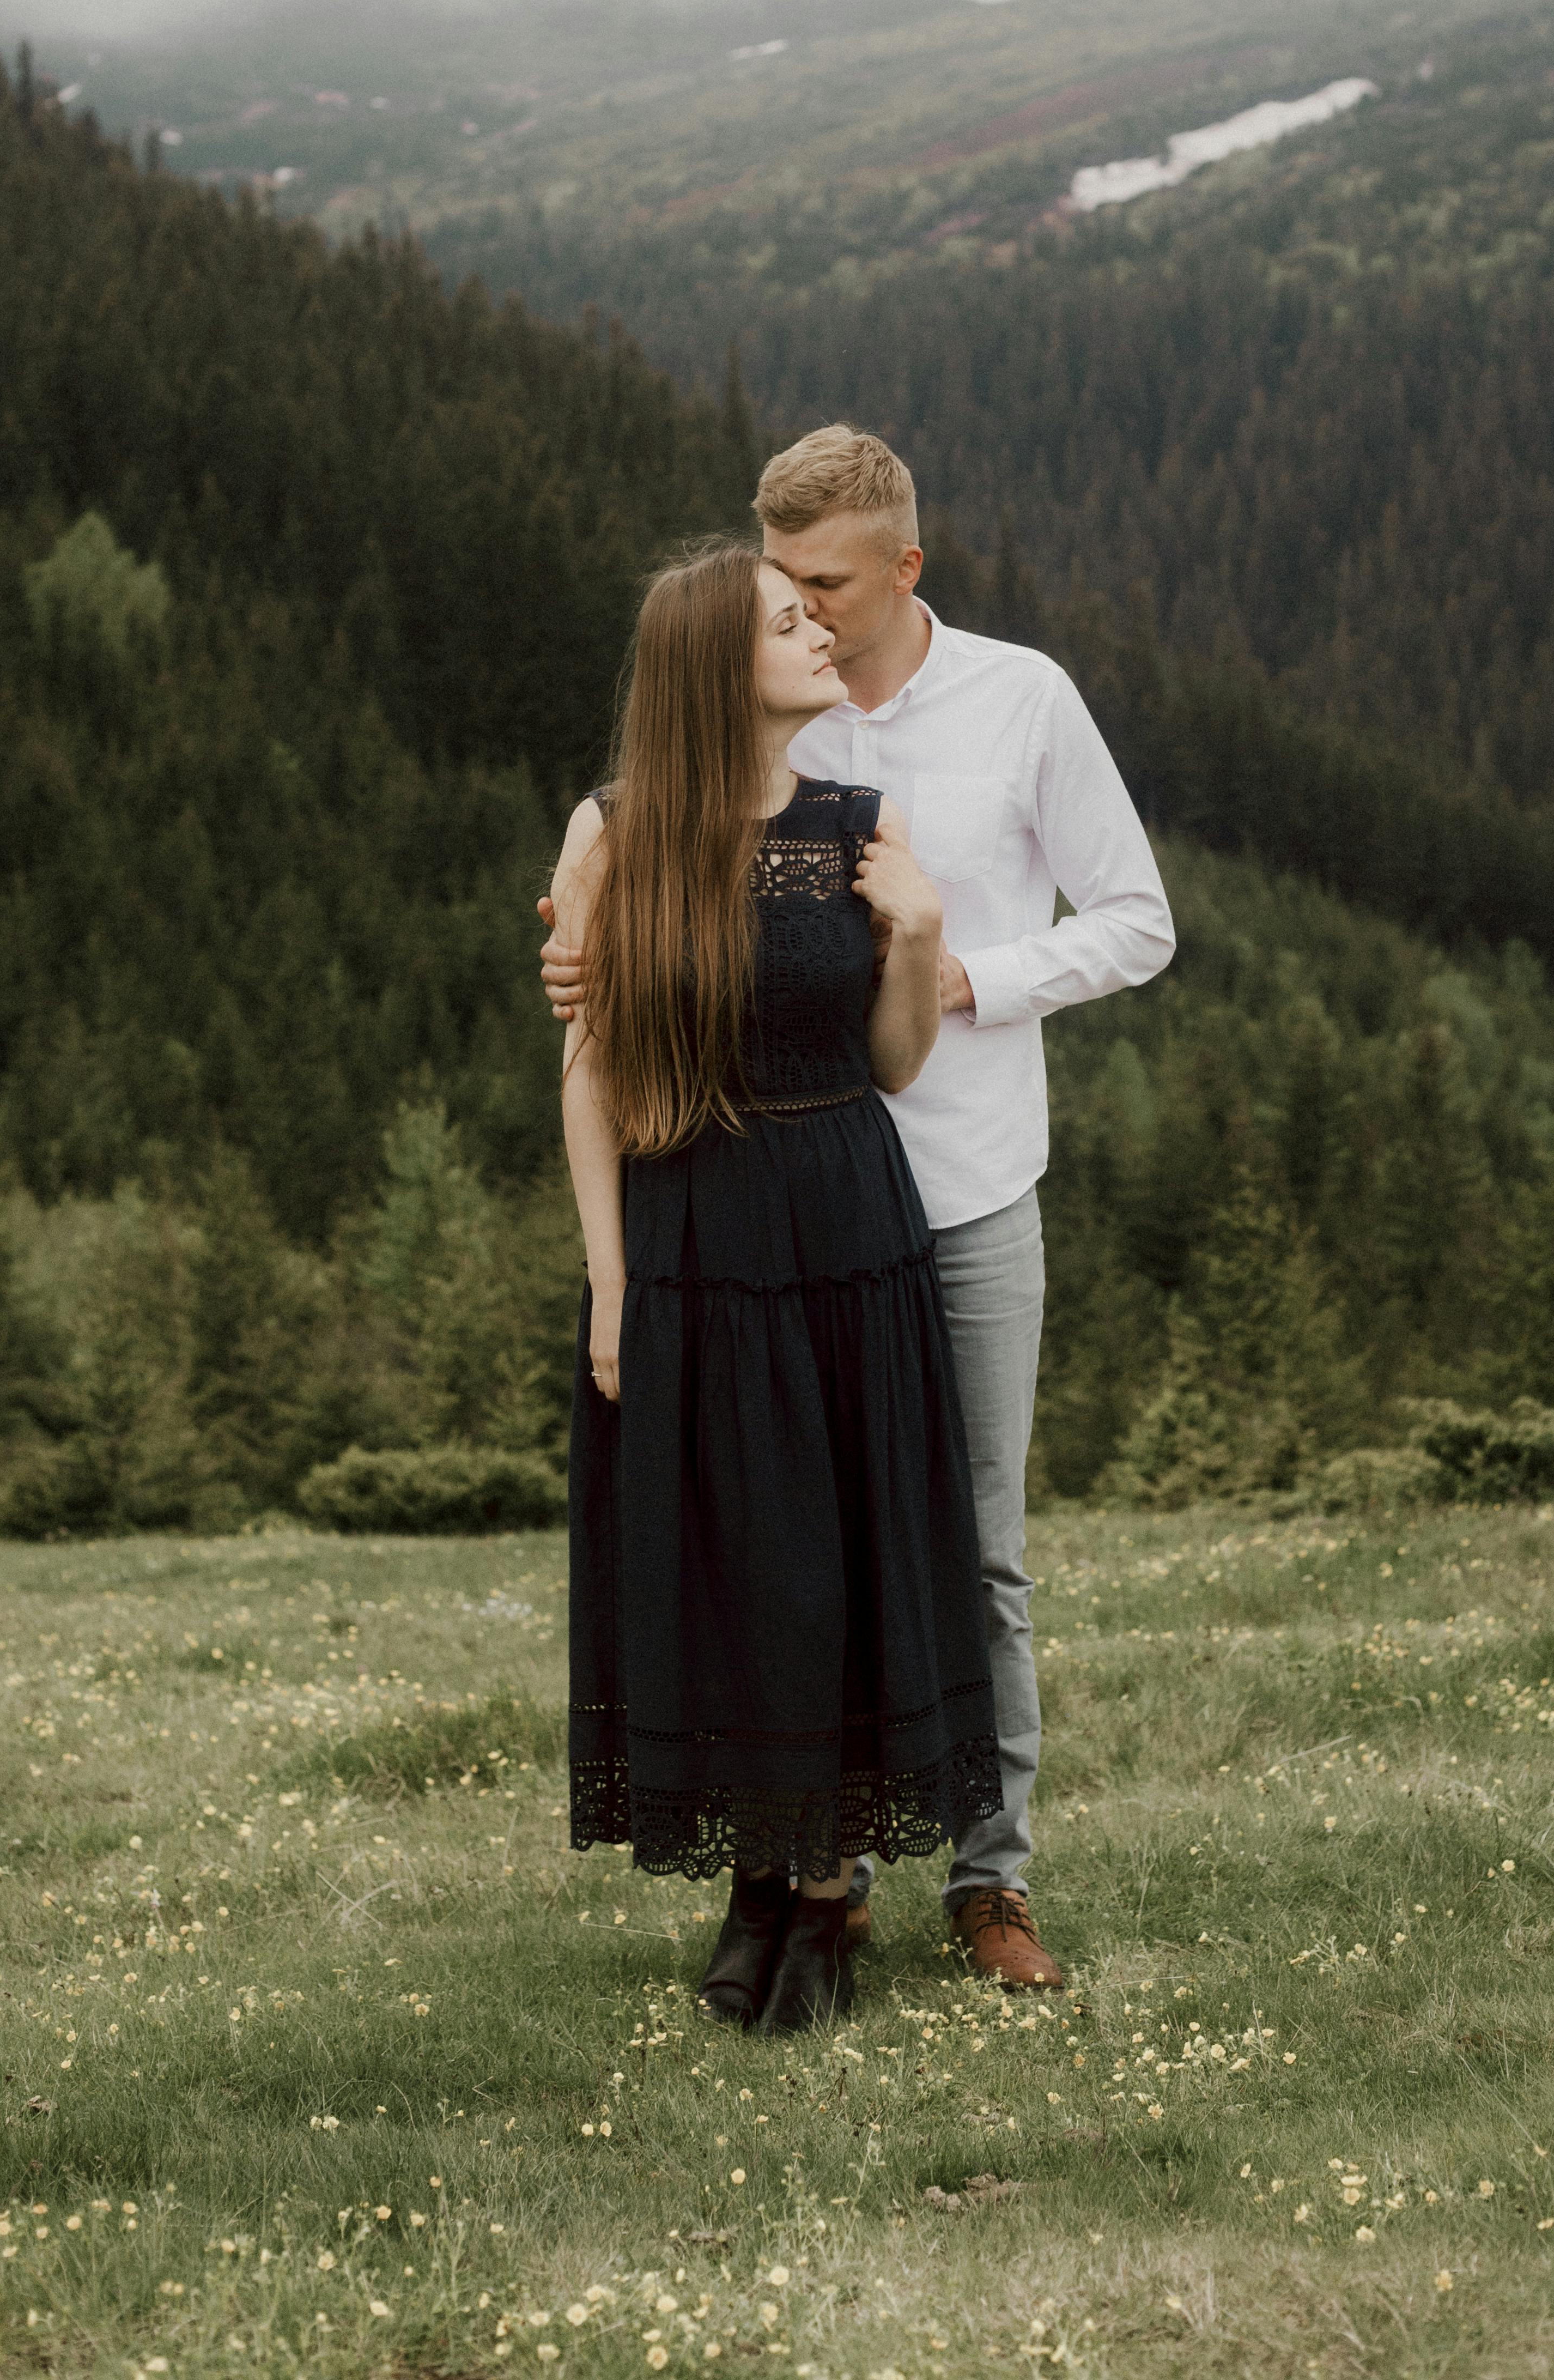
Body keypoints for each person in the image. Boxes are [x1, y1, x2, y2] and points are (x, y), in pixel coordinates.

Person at [543, 427, 1176, 1994]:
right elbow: (653, 928)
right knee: (799, 1548)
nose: (806, 612)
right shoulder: (762, 731)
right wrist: (590, 947)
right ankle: (824, 1873)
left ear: (906, 566)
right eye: (782, 587)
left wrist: (958, 969)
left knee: (974, 1553)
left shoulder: (1021, 700)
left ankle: (989, 1881)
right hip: (768, 1215)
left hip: (960, 1189)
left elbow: (1137, 922)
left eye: (825, 584)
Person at [551, 537, 1001, 2033]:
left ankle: (821, 1897)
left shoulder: (861, 826)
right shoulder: (614, 832)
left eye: (815, 611)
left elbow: (893, 1061)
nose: (817, 631)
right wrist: (610, 1287)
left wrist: (918, 931)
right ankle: (758, 1887)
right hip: (691, 1230)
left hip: (847, 1225)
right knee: (728, 1555)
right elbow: (590, 1072)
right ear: (708, 666)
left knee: (837, 1556)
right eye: (781, 619)